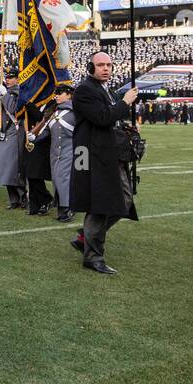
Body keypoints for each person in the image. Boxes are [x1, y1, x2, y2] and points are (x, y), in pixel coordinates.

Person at [70, 51, 139, 275]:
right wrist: (125, 103)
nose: (106, 68)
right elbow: (101, 117)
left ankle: (86, 237)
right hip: (94, 155)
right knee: (100, 204)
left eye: (109, 64)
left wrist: (125, 126)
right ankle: (93, 256)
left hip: (109, 153)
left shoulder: (103, 88)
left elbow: (110, 118)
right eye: (100, 65)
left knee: (123, 200)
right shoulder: (84, 90)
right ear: (90, 67)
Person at [0, 69, 25, 209]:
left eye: (11, 77)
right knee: (4, 166)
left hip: (15, 132)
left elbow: (13, 109)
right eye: (7, 77)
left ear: (17, 79)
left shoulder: (19, 93)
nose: (8, 80)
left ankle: (22, 197)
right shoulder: (5, 92)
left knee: (13, 168)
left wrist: (4, 95)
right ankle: (13, 199)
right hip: (4, 134)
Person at [49, 85, 77, 223]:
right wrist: (34, 137)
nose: (57, 96)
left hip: (70, 151)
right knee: (56, 180)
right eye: (56, 93)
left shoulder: (75, 112)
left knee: (63, 179)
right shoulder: (54, 112)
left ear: (69, 95)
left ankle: (67, 209)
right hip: (55, 153)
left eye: (60, 93)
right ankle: (63, 209)